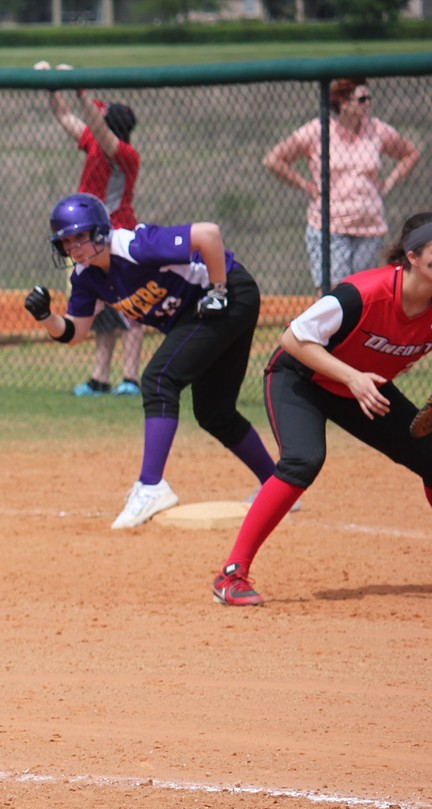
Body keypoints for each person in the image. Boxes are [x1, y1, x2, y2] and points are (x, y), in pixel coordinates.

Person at [213, 213, 432, 607]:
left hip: (363, 388)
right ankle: (232, 575)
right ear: (413, 257)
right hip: (301, 377)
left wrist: (357, 382)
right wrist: (351, 377)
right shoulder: (364, 293)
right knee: (303, 459)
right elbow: (293, 338)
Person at [24, 192, 279, 529]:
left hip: (229, 295)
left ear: (100, 231)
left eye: (80, 236)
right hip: (202, 312)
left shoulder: (134, 247)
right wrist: (45, 316)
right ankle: (278, 489)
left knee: (158, 379)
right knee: (213, 412)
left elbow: (209, 235)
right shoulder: (86, 278)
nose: (74, 247)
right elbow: (74, 333)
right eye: (66, 242)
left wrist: (217, 290)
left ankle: (151, 485)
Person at [37, 61, 145, 397]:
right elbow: (64, 117)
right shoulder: (94, 143)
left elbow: (100, 132)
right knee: (98, 305)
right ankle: (99, 378)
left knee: (132, 309)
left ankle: (130, 378)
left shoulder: (126, 155)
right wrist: (51, 85)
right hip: (87, 240)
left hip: (118, 237)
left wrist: (81, 90)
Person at [263, 77, 421, 297]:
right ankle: (328, 333)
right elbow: (274, 160)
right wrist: (307, 186)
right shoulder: (318, 130)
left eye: (369, 98)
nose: (368, 104)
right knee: (334, 293)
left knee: (362, 293)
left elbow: (410, 153)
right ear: (344, 103)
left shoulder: (376, 129)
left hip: (369, 226)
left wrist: (389, 182)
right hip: (330, 224)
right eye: (362, 99)